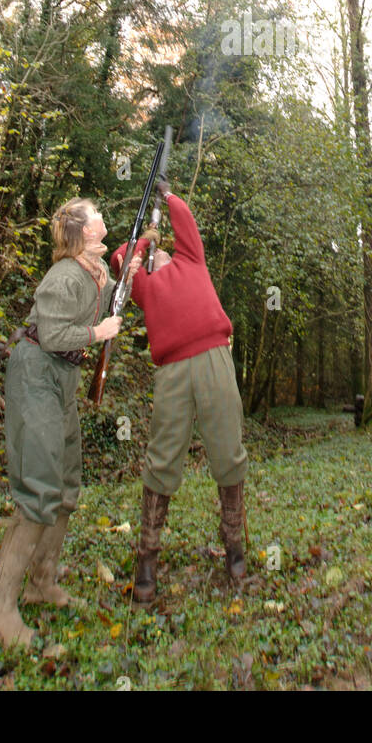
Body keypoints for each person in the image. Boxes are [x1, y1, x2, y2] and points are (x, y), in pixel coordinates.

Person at [0, 198, 140, 648]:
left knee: (66, 485)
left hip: (62, 380)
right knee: (40, 489)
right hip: (35, 373)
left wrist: (135, 263)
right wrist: (97, 334)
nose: (103, 218)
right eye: (95, 215)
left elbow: (112, 300)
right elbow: (51, 335)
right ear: (83, 232)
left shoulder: (95, 274)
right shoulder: (63, 275)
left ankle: (41, 582)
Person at [111, 181, 248, 602]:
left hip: (214, 360)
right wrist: (141, 243)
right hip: (171, 372)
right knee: (162, 460)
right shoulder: (144, 286)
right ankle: (147, 563)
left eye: (163, 247)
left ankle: (235, 552)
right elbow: (119, 262)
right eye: (157, 252)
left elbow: (186, 223)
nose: (163, 251)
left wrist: (166, 198)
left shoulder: (191, 259)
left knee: (228, 452)